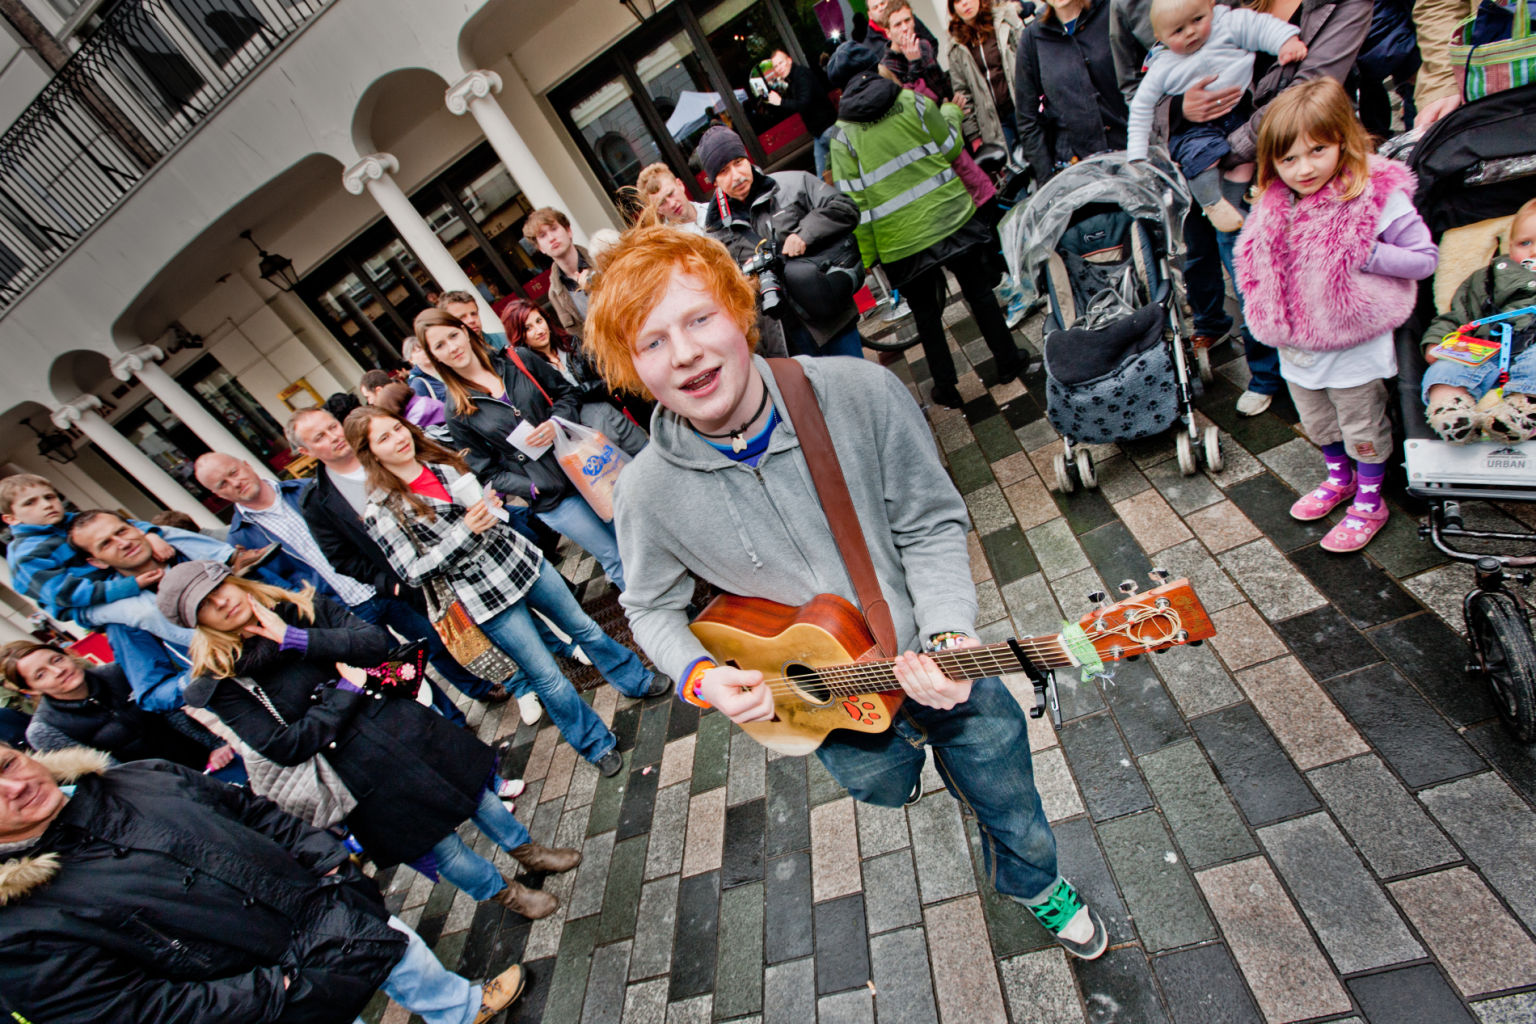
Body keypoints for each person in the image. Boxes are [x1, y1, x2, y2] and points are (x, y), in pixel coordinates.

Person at [584, 226, 1108, 961]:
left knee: (1007, 796)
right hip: (822, 707)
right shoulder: (645, 495)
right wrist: (701, 678)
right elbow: (648, 604)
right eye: (652, 343)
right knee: (885, 785)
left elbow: (929, 522)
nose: (687, 354)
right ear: (632, 370)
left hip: (934, 661)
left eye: (699, 319)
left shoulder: (859, 393)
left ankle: (1034, 882)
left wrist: (952, 635)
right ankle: (911, 775)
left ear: (739, 312)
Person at [165, 560, 581, 917]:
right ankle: (509, 895)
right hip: (356, 772)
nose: (221, 602)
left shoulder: (302, 608)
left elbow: (376, 643)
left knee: (479, 796)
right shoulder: (219, 682)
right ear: (197, 623)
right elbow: (284, 747)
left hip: (404, 727)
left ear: (233, 580)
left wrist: (294, 639)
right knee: (442, 847)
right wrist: (345, 691)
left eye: (219, 588)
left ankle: (530, 853)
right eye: (205, 606)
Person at [0, 744, 528, 1024]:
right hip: (271, 1004)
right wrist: (278, 992)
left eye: (6, 763)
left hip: (329, 910)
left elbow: (252, 812)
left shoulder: (138, 776)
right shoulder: (15, 924)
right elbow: (126, 1011)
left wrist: (330, 867)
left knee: (405, 958)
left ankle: (463, 1009)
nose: (15, 787)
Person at [345, 407, 670, 777]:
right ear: (370, 453)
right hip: (482, 594)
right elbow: (413, 572)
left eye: (396, 428)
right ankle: (595, 743)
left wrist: (491, 508)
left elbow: (480, 509)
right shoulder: (381, 509)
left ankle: (636, 680)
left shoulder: (439, 462)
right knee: (546, 675)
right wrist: (466, 530)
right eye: (384, 438)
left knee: (585, 627)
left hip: (518, 560)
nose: (399, 438)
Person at [1234, 78, 1436, 552]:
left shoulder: (1374, 195)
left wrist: (1366, 255)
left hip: (1352, 342)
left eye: (1317, 151)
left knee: (1361, 423)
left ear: (1342, 139)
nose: (1304, 169)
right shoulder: (1275, 201)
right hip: (1297, 342)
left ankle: (1370, 499)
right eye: (1288, 159)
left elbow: (1424, 258)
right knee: (1319, 420)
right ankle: (1339, 478)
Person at [1179, 0, 1373, 415]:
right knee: (1250, 273)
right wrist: (1182, 106)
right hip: (1232, 162)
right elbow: (1172, 63)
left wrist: (1227, 152)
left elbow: (1313, 86)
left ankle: (1338, 373)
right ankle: (1270, 374)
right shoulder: (1222, 7)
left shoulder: (1345, 6)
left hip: (1303, 155)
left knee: (1317, 272)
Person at [287, 409, 537, 717]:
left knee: (511, 609)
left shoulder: (385, 455)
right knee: (456, 639)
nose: (335, 437)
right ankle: (520, 687)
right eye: (320, 437)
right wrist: (391, 586)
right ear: (305, 451)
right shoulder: (317, 500)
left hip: (465, 553)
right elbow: (341, 558)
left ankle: (554, 653)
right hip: (412, 583)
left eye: (333, 426)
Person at [193, 453, 473, 721]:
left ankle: (479, 688)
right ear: (218, 495)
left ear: (245, 464)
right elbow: (274, 588)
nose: (235, 482)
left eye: (234, 472)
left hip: (377, 585)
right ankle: (453, 719)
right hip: (338, 611)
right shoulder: (240, 540)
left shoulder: (306, 491)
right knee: (393, 669)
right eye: (223, 484)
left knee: (434, 640)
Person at [828, 43, 1029, 409]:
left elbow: (855, 207)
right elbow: (952, 149)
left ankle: (947, 388)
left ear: (840, 88)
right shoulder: (913, 103)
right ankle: (1008, 361)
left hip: (900, 241)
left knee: (926, 314)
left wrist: (871, 257)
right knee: (979, 293)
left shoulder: (841, 138)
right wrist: (950, 110)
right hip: (950, 216)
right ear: (876, 67)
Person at [416, 308, 631, 592]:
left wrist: (556, 422)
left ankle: (682, 602)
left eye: (453, 335)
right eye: (440, 346)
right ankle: (659, 622)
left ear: (466, 332)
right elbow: (485, 470)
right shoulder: (456, 411)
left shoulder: (518, 359)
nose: (452, 347)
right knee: (612, 556)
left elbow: (566, 393)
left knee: (632, 543)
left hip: (583, 467)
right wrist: (530, 487)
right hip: (551, 496)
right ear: (434, 358)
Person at [1126, 0, 1308, 232]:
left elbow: (1261, 28)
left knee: (1246, 162)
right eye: (1179, 31)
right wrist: (1137, 154)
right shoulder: (1162, 65)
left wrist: (1286, 43)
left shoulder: (1227, 23)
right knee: (1202, 156)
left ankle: (1230, 206)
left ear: (1211, 8)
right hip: (1195, 128)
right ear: (1160, 35)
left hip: (1239, 112)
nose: (1191, 32)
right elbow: (1141, 107)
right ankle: (1211, 202)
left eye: (1198, 20)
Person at [3, 473, 232, 647]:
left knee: (166, 532)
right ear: (11, 518)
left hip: (111, 579)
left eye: (49, 497)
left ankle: (230, 557)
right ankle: (210, 644)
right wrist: (130, 586)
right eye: (30, 503)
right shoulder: (26, 555)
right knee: (146, 611)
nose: (46, 504)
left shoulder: (72, 520)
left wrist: (149, 533)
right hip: (85, 604)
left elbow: (121, 525)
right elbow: (66, 594)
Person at [698, 124, 867, 361]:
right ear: (713, 181)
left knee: (863, 389)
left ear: (748, 158)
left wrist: (804, 235)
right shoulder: (715, 235)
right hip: (783, 343)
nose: (736, 176)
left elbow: (845, 208)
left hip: (830, 320)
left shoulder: (793, 184)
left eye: (738, 162)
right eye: (724, 171)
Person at [0, 640, 236, 775]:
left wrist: (215, 745)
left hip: (209, 760)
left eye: (57, 660)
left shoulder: (117, 672)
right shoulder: (45, 729)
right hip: (164, 790)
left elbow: (171, 714)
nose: (58, 671)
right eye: (41, 675)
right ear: (30, 689)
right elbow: (105, 771)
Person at [1421, 197, 1536, 443]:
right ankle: (1452, 412)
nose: (1533, 252)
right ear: (1509, 245)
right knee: (1444, 370)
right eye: (1524, 243)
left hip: (1532, 353)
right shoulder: (1487, 278)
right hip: (1486, 349)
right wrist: (1437, 342)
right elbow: (1458, 316)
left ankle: (1519, 413)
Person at [499, 297, 651, 454]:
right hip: (584, 438)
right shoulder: (529, 374)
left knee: (649, 454)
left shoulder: (572, 344)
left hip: (611, 416)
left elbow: (606, 380)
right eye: (528, 328)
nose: (539, 330)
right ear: (519, 335)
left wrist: (578, 392)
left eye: (539, 321)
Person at [1013, 0, 1129, 186]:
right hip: (1079, 174)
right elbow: (1027, 118)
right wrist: (1048, 181)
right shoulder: (1033, 38)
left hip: (1133, 155)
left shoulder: (1113, 10)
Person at [946, 0, 1030, 155]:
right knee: (1015, 171)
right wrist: (974, 137)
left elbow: (1028, 57)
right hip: (994, 123)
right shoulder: (955, 45)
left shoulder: (1002, 20)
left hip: (1023, 108)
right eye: (957, 1)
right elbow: (963, 94)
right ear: (953, 8)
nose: (965, 3)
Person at [764, 48, 840, 178]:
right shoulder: (793, 80)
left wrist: (780, 101)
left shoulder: (801, 75)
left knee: (847, 166)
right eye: (776, 66)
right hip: (819, 134)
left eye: (781, 63)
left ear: (789, 60)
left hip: (828, 129)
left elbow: (804, 103)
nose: (779, 68)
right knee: (823, 178)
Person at [525, 209, 593, 342]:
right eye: (543, 235)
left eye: (554, 229)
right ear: (541, 248)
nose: (551, 238)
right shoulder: (555, 294)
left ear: (568, 231)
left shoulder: (603, 260)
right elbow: (582, 339)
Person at [361, 370, 449, 431]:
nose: (369, 402)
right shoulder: (413, 400)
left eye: (368, 397)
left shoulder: (415, 415)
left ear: (379, 391)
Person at [637, 163, 708, 233]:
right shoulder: (669, 242)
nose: (672, 204)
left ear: (680, 184)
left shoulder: (715, 207)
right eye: (662, 203)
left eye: (671, 194)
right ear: (657, 209)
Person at [439, 288, 509, 351]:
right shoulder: (453, 357)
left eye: (473, 314)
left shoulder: (505, 340)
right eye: (462, 317)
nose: (471, 320)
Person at [404, 337, 450, 402]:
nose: (424, 352)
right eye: (418, 351)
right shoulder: (418, 384)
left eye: (425, 348)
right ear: (411, 360)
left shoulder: (447, 365)